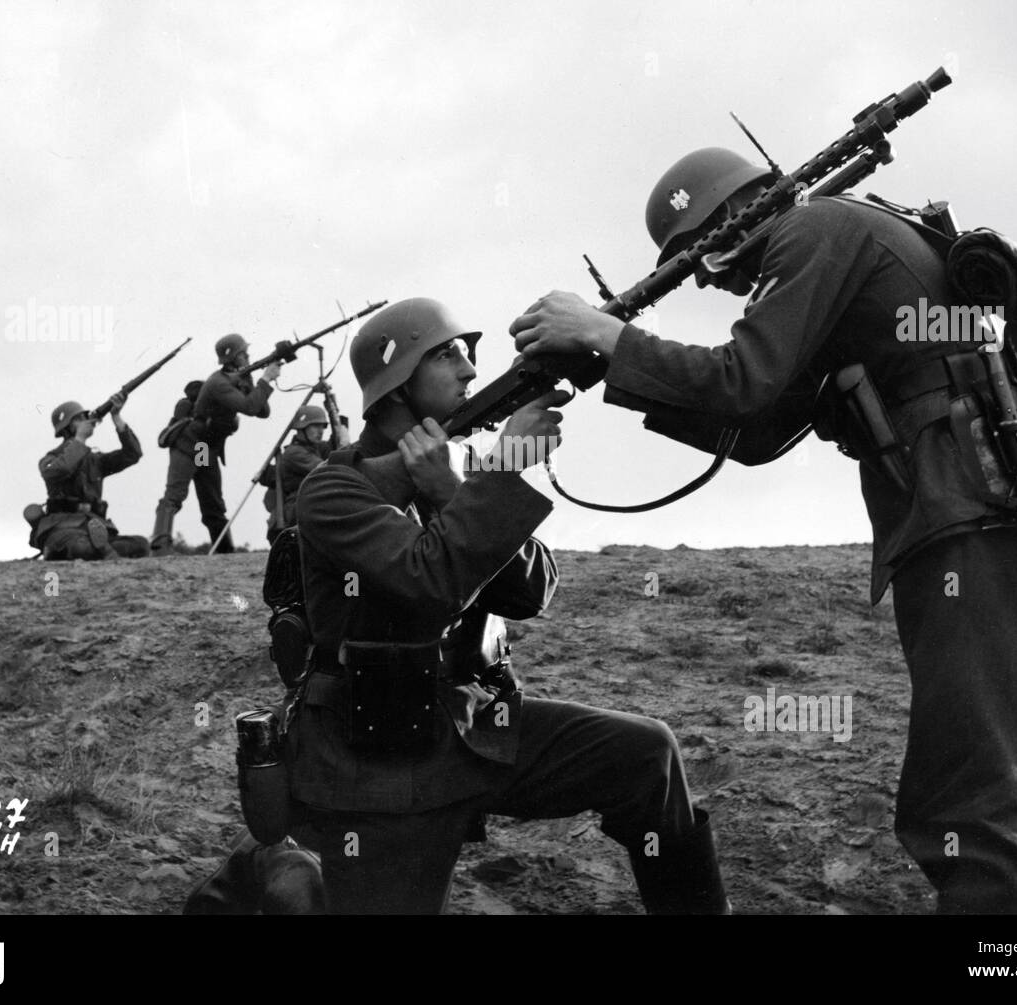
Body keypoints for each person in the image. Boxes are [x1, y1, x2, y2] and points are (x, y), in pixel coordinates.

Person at [507, 148, 1017, 915]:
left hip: (966, 527)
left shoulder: (811, 230)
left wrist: (606, 333)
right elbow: (756, 429)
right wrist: (615, 371)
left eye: (699, 264)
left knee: (969, 805)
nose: (714, 284)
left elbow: (741, 377)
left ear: (721, 227)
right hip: (1011, 520)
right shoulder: (848, 237)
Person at [186, 297, 729, 916]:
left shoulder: (453, 470)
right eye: (447, 355)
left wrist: (469, 483)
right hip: (378, 766)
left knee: (646, 755)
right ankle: (278, 868)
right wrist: (490, 476)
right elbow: (429, 583)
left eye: (469, 354)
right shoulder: (333, 490)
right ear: (395, 386)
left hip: (473, 727)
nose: (471, 370)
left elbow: (530, 591)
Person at [150, 335, 282, 554]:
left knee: (213, 503)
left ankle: (224, 552)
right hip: (189, 444)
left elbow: (263, 411)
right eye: (244, 354)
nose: (248, 357)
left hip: (205, 448)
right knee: (175, 495)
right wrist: (265, 380)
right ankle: (159, 547)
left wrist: (252, 380)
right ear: (234, 357)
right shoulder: (218, 383)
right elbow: (249, 407)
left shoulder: (237, 379)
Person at [30, 393, 149, 560]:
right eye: (78, 419)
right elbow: (61, 469)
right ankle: (102, 552)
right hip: (62, 528)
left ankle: (103, 550)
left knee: (141, 544)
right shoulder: (50, 459)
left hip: (94, 525)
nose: (85, 421)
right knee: (80, 547)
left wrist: (116, 417)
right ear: (66, 428)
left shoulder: (95, 460)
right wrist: (80, 439)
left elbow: (132, 454)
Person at [259, 404, 333, 545]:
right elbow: (327, 469)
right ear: (302, 428)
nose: (320, 431)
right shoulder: (294, 453)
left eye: (323, 427)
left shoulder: (314, 448)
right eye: (315, 426)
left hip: (303, 510)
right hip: (294, 515)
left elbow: (334, 449)